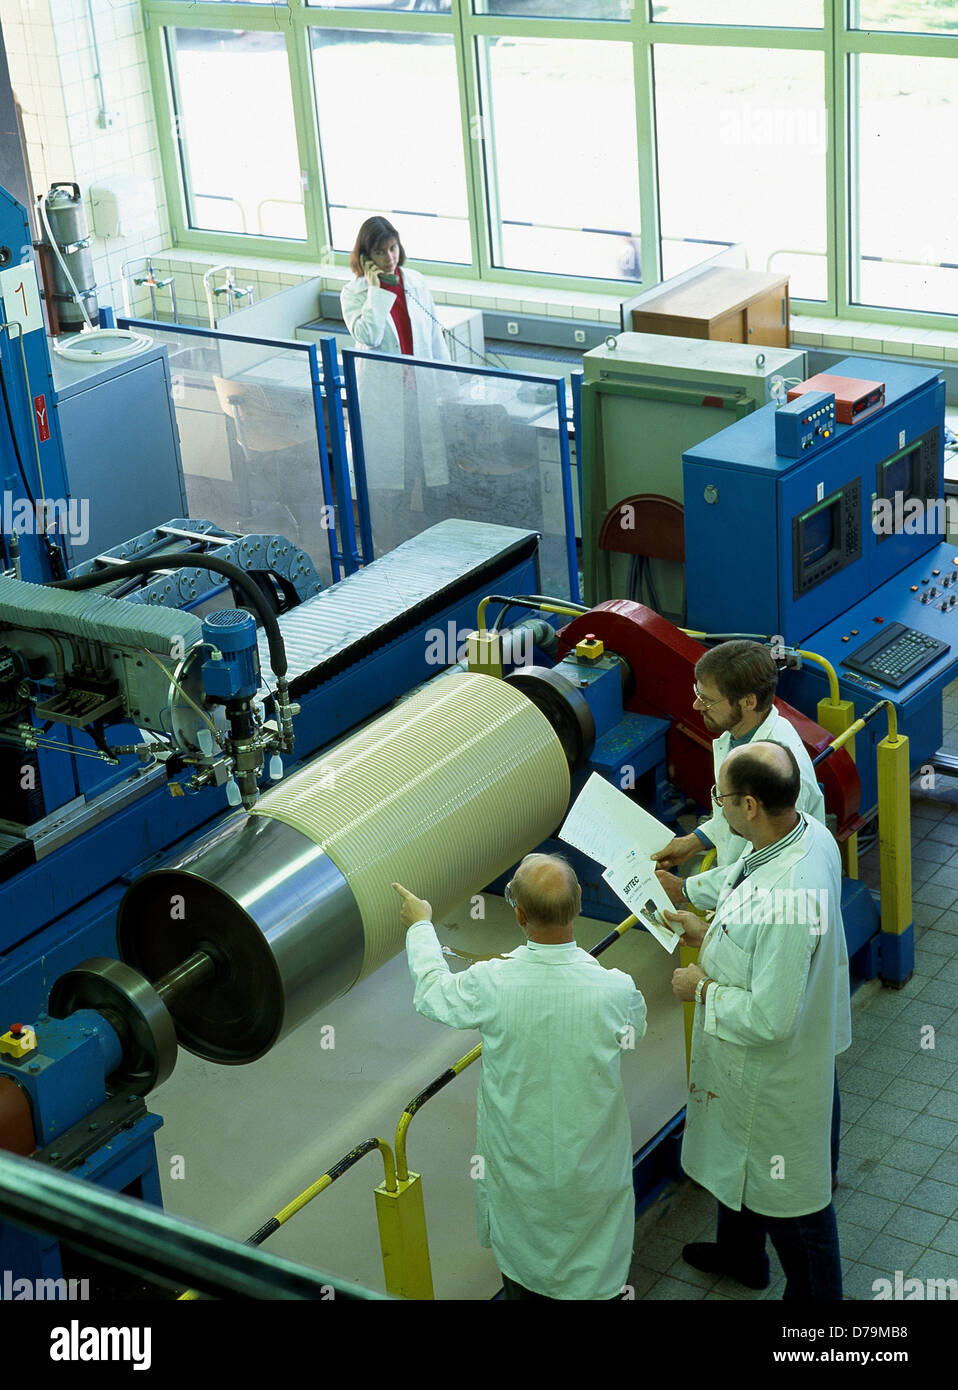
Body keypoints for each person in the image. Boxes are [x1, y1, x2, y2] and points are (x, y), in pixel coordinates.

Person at [394, 854, 646, 1300]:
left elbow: (433, 992)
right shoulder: (616, 990)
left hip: (521, 1184)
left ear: (519, 915)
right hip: (593, 1180)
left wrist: (420, 925)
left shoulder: (494, 984)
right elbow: (635, 1033)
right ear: (580, 904)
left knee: (527, 1281)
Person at [666, 742, 851, 1300]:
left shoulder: (789, 894)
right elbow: (757, 932)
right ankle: (740, 1254)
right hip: (762, 1071)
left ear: (749, 805)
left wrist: (702, 988)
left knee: (796, 1210)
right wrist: (711, 930)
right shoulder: (804, 834)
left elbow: (770, 1018)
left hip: (771, 1080)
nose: (714, 809)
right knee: (740, 1172)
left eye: (720, 799)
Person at [652, 640, 826, 911]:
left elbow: (764, 868)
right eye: (698, 692)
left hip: (771, 905)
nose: (697, 706)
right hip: (738, 893)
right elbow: (735, 815)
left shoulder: (780, 772)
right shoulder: (735, 739)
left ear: (748, 701)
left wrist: (685, 889)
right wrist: (694, 841)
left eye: (708, 700)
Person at [340, 217, 451, 555]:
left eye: (393, 248)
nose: (390, 258)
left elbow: (434, 338)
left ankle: (433, 552)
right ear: (364, 257)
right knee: (394, 488)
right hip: (386, 406)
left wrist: (450, 389)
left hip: (421, 398)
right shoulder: (354, 294)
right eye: (380, 251)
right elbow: (368, 335)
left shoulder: (415, 282)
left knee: (430, 481)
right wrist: (377, 292)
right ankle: (393, 554)